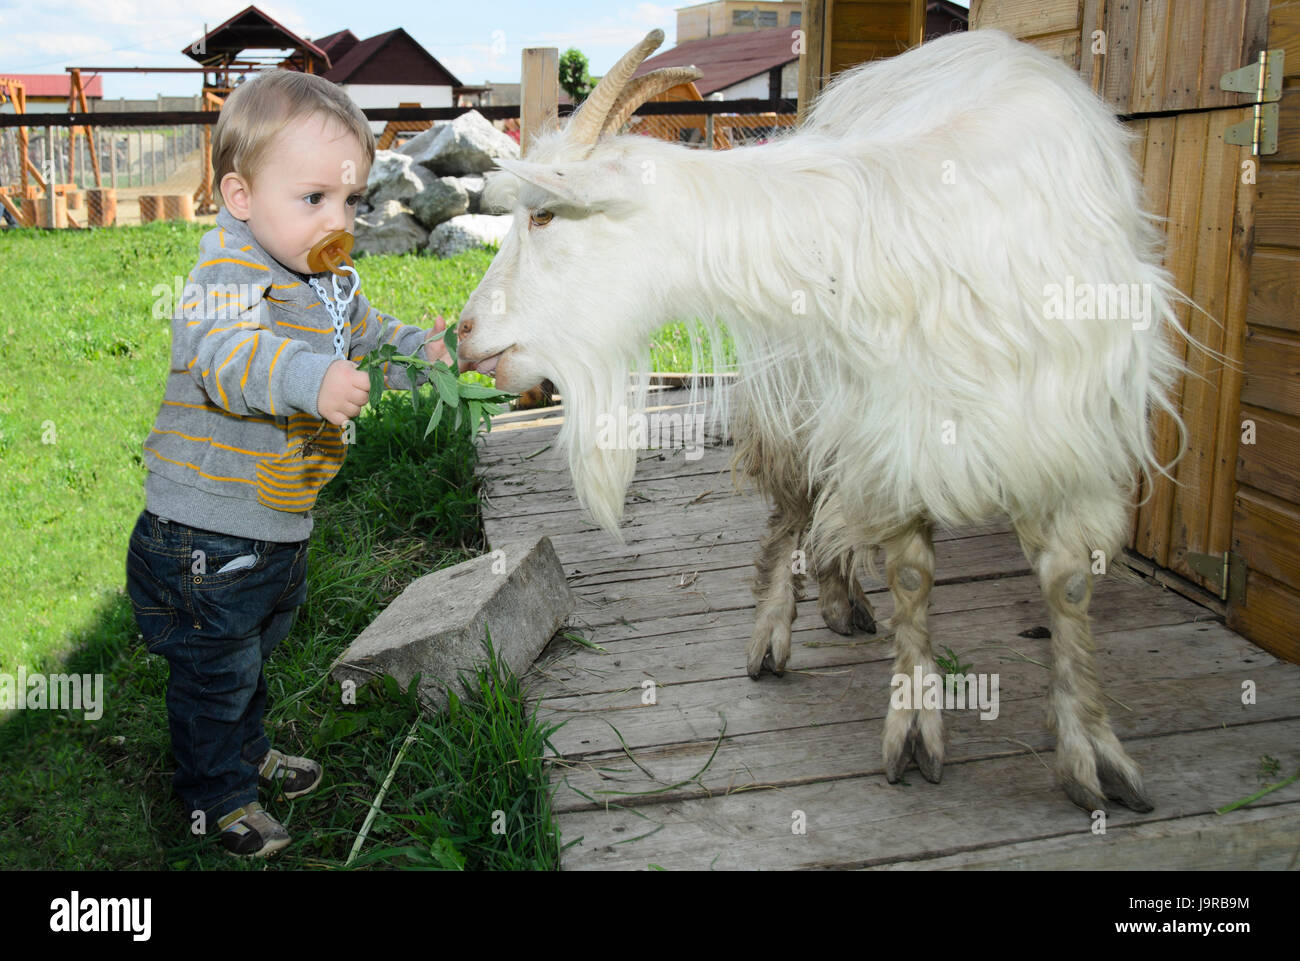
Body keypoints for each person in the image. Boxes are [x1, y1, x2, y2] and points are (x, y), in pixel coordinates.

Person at [125, 70, 457, 857]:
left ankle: (247, 746)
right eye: (313, 199)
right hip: (203, 533)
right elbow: (226, 358)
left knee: (255, 648)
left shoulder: (329, 280)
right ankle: (219, 795)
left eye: (351, 200)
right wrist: (312, 379)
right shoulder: (225, 277)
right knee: (217, 670)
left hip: (273, 524)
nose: (337, 220)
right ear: (241, 197)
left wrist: (429, 354)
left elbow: (372, 343)